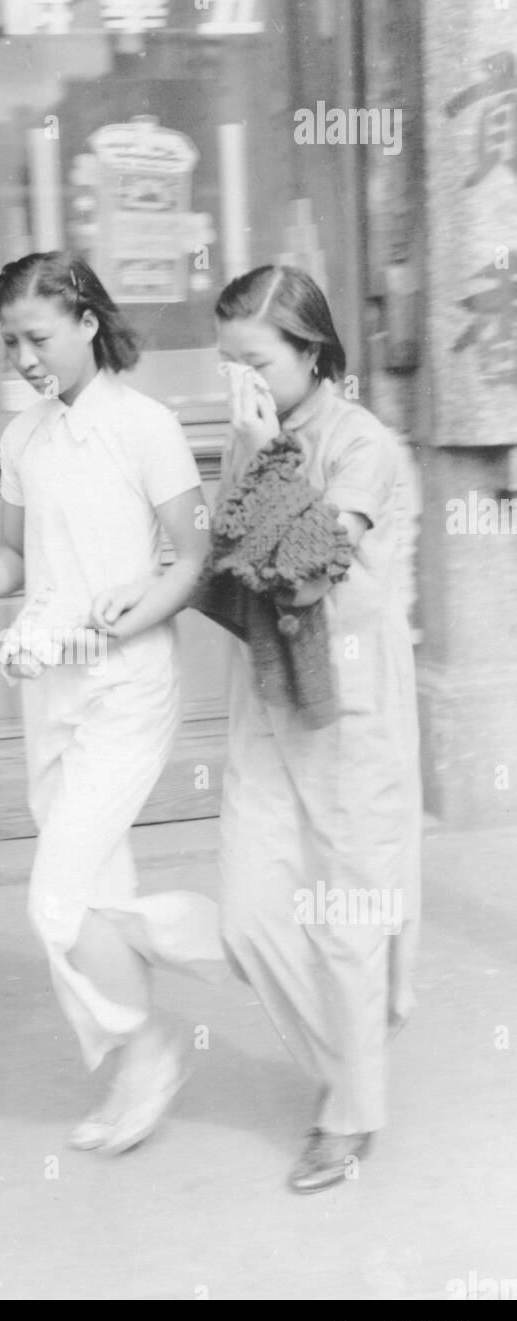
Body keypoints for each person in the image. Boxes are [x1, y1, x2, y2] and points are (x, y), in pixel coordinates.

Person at [0, 251, 226, 1155]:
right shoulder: (21, 441)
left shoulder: (145, 426)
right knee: (94, 883)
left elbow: (192, 559)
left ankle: (153, 1043)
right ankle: (191, 973)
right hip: (50, 687)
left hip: (129, 684)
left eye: (37, 337)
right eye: (11, 342)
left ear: (87, 323)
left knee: (56, 899)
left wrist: (119, 623)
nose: (24, 357)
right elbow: (19, 561)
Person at [205, 264, 421, 1194]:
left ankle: (346, 1110)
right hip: (265, 692)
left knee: (343, 916)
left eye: (252, 362)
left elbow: (305, 571)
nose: (236, 385)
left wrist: (263, 463)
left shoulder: (362, 443)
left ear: (309, 351)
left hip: (350, 701)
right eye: (227, 365)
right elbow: (225, 561)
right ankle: (351, 1057)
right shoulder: (249, 436)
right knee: (251, 914)